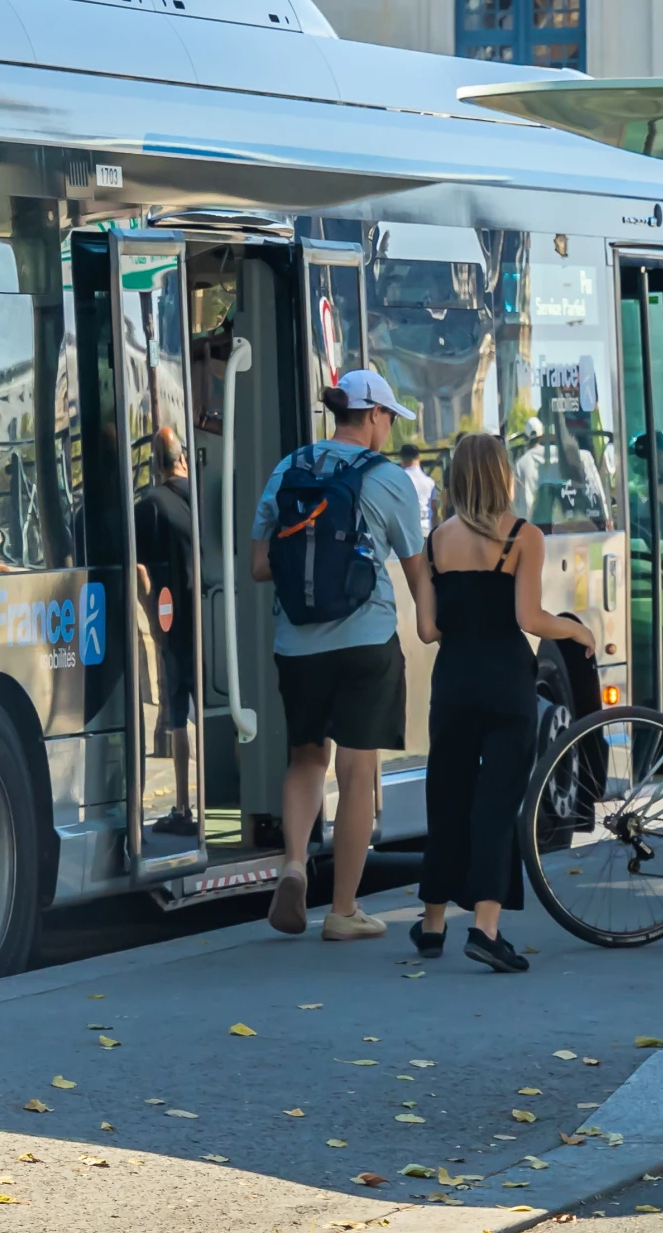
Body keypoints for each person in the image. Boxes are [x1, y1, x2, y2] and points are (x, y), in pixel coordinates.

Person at [250, 369, 426, 942]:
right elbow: (415, 567)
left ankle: (295, 864)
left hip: (295, 644)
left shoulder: (289, 469)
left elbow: (258, 565)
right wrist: (430, 622)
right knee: (357, 771)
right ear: (372, 416)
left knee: (306, 759)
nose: (388, 428)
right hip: (365, 643)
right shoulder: (388, 478)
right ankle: (344, 910)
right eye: (388, 418)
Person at [414, 433, 598, 973]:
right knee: (496, 803)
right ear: (502, 475)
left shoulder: (434, 543)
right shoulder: (522, 536)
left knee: (445, 797)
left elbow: (427, 630)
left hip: (453, 684)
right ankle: (486, 929)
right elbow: (529, 619)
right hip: (505, 684)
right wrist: (576, 632)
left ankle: (430, 925)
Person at [133, 427, 199, 836]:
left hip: (173, 621)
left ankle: (182, 806)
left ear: (155, 464)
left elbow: (140, 574)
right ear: (183, 459)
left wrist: (153, 620)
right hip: (209, 617)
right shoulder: (203, 496)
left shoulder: (149, 505)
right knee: (209, 709)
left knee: (177, 718)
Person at [395, 444, 436, 541]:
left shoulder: (397, 480)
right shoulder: (429, 481)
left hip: (405, 532)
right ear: (419, 457)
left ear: (401, 459)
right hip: (426, 529)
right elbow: (434, 508)